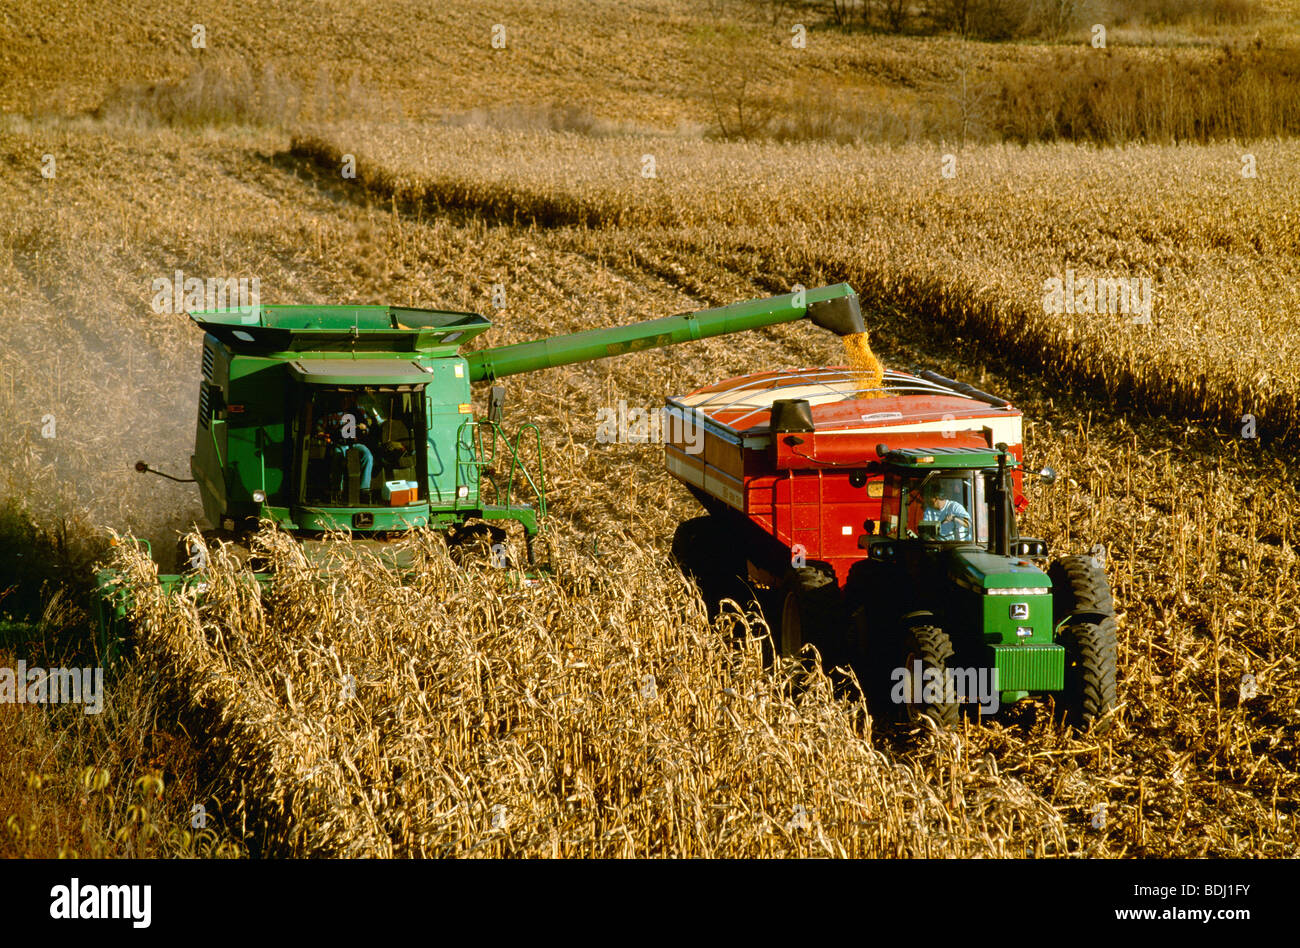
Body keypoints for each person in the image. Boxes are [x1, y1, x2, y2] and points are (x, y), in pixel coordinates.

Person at [316, 393, 375, 498]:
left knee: (368, 455)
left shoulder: (359, 411)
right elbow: (319, 428)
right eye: (343, 398)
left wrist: (364, 428)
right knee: (337, 456)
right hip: (339, 444)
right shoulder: (330, 414)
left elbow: (368, 427)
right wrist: (321, 434)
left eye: (349, 398)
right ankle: (337, 490)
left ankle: (364, 489)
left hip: (356, 444)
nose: (346, 400)